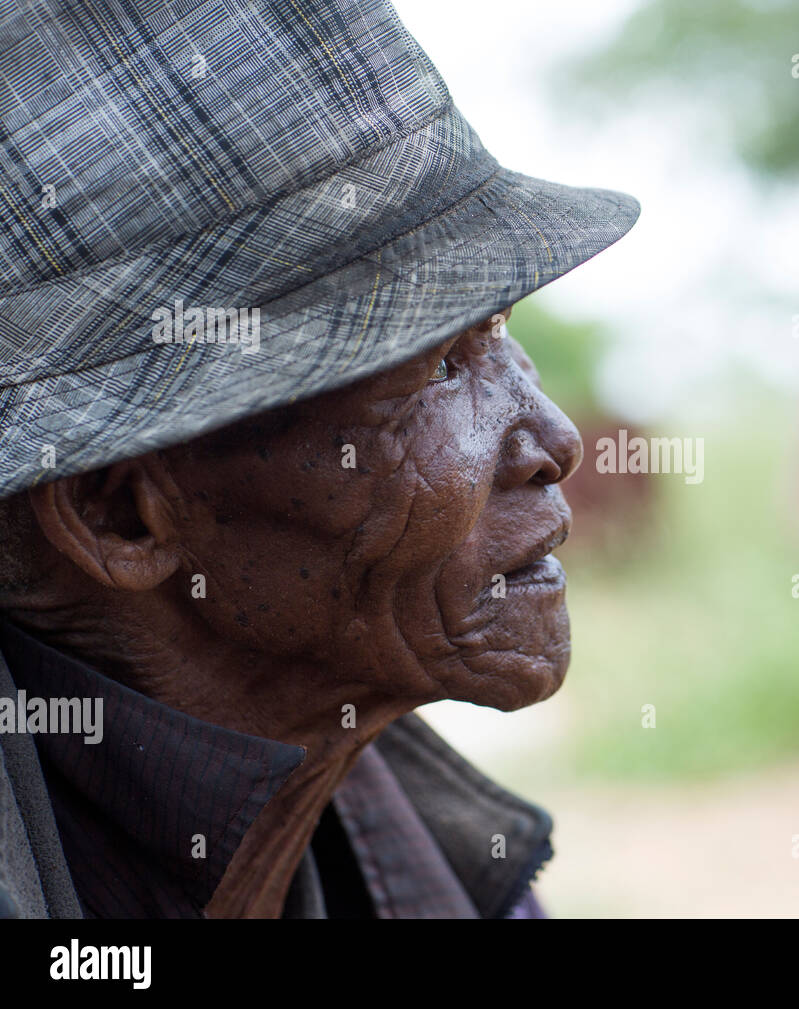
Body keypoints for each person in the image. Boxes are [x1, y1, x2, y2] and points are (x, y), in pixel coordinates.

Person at [0, 0, 638, 918]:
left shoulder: (436, 865)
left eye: (501, 333)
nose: (555, 441)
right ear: (120, 512)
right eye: (439, 369)